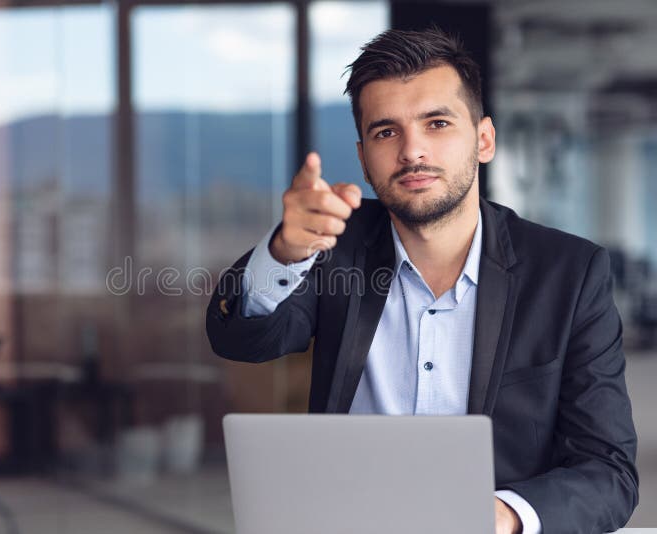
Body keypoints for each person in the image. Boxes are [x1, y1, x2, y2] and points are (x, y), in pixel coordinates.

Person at [206, 28, 638, 534]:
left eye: (437, 123)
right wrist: (285, 253)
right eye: (386, 132)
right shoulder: (333, 245)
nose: (412, 151)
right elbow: (241, 338)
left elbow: (610, 473)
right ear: (364, 158)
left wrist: (504, 516)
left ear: (483, 139)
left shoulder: (569, 272)